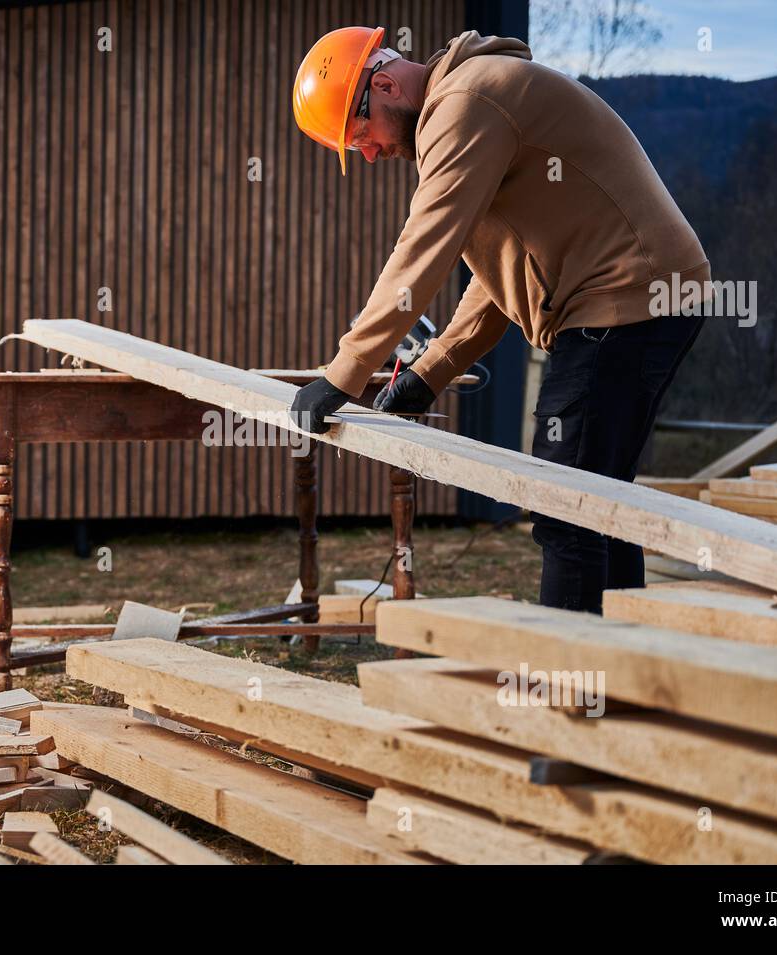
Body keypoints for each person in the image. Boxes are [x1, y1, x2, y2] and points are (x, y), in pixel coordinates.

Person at [288, 27, 708, 613]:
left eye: (361, 135)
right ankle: (620, 683)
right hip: (640, 300)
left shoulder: (465, 106)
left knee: (567, 511)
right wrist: (429, 373)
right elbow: (499, 272)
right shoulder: (472, 101)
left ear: (383, 85)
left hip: (625, 301)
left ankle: (576, 693)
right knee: (601, 505)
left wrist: (344, 373)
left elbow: (424, 249)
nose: (368, 153)